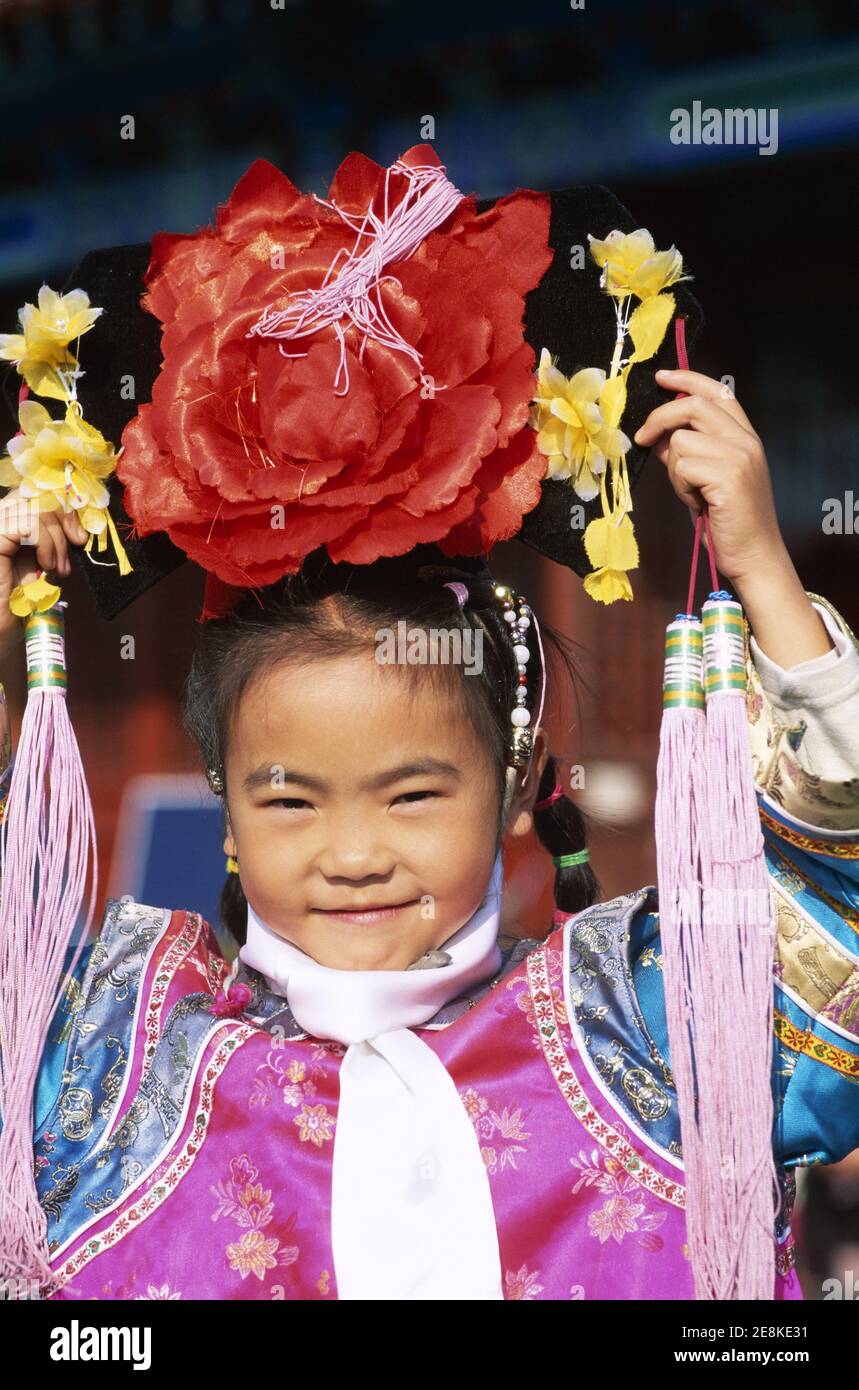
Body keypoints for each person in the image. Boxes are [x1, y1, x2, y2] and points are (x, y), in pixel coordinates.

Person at [0, 144, 857, 1301]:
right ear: (226, 799)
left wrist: (757, 569)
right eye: (288, 796)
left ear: (513, 780)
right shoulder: (106, 1058)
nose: (353, 854)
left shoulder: (656, 1034)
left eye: (412, 792)